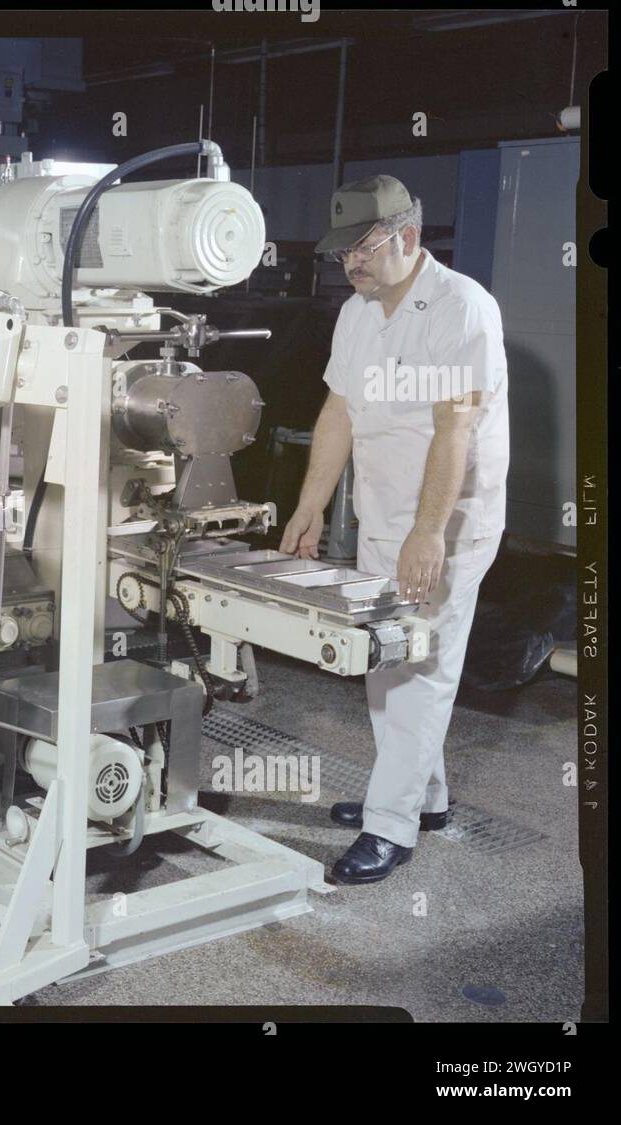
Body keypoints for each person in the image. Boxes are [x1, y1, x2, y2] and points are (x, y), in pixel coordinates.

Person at [280, 174, 510, 884]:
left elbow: (456, 426)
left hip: (449, 522)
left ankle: (391, 826)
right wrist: (311, 504)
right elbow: (339, 414)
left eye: (362, 250)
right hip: (382, 519)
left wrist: (430, 529)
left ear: (407, 237)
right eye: (341, 253)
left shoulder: (462, 308)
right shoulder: (359, 312)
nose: (349, 265)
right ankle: (425, 798)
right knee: (392, 666)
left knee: (419, 671)